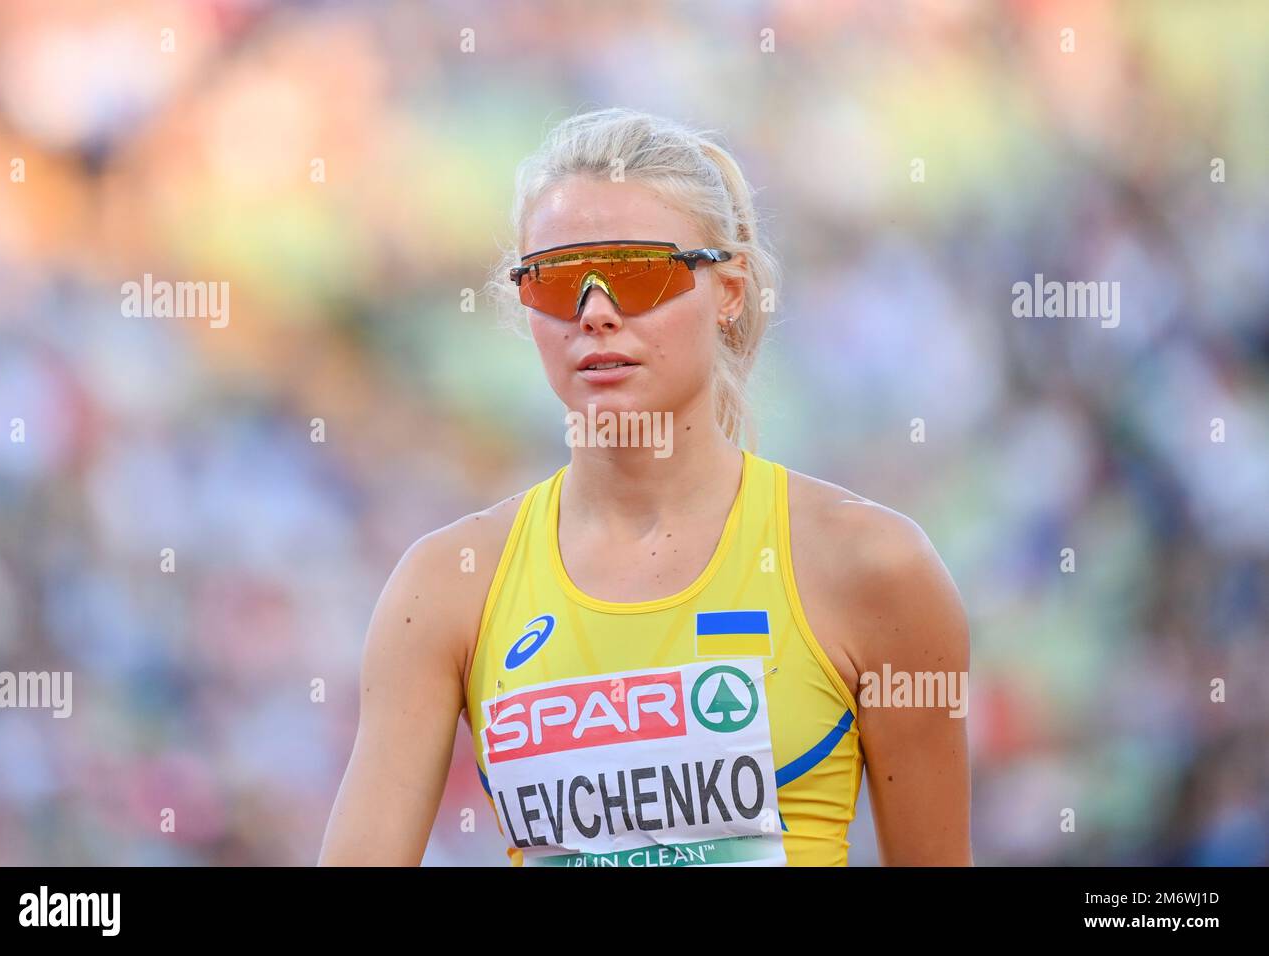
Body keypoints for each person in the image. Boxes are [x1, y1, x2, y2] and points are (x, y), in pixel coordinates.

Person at [319, 107, 971, 867]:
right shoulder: (446, 587)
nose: (596, 314)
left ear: (728, 290)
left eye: (636, 273)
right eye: (557, 283)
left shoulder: (872, 565)